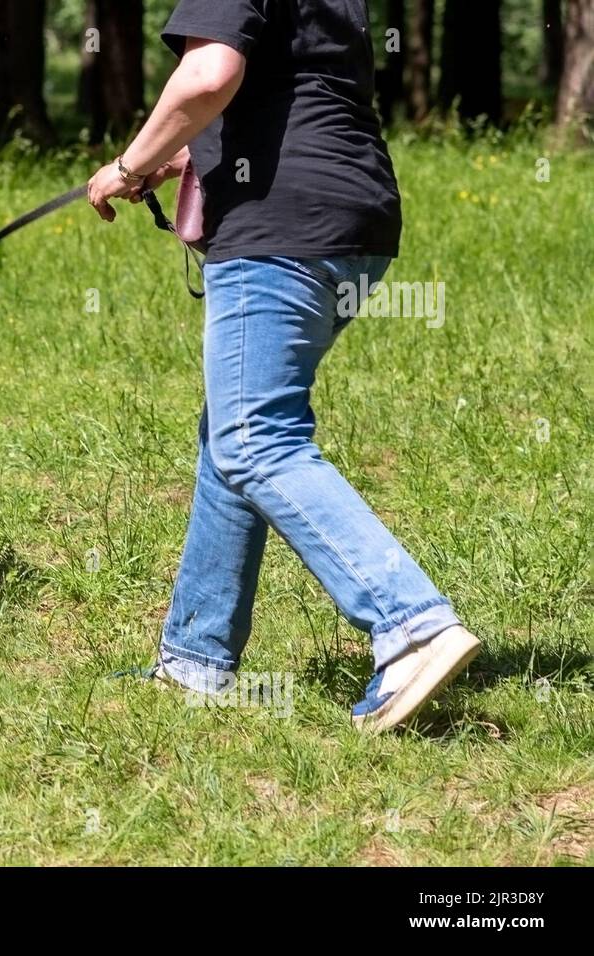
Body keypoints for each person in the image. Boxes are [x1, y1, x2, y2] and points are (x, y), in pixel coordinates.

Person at [86, 0, 480, 732]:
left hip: (281, 226)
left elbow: (210, 74)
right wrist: (187, 154)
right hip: (356, 218)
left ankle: (412, 627)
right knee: (231, 433)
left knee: (255, 438)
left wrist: (126, 165)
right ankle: (195, 660)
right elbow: (295, 83)